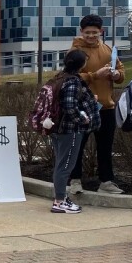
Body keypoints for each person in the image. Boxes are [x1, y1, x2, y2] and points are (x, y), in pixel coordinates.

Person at [68, 15, 125, 194]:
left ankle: (106, 181)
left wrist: (117, 75)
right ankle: (74, 180)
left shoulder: (108, 49)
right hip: (82, 107)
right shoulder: (74, 52)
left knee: (105, 147)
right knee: (77, 145)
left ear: (101, 32)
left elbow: (121, 71)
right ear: (81, 32)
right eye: (87, 33)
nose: (91, 36)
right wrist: (94, 75)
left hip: (106, 107)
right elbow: (70, 77)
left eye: (95, 32)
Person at [47, 50, 100, 214]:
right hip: (69, 129)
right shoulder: (73, 81)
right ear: (82, 64)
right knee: (65, 165)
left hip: (56, 127)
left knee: (60, 164)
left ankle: (60, 198)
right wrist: (82, 118)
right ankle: (59, 201)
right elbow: (69, 105)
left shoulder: (59, 77)